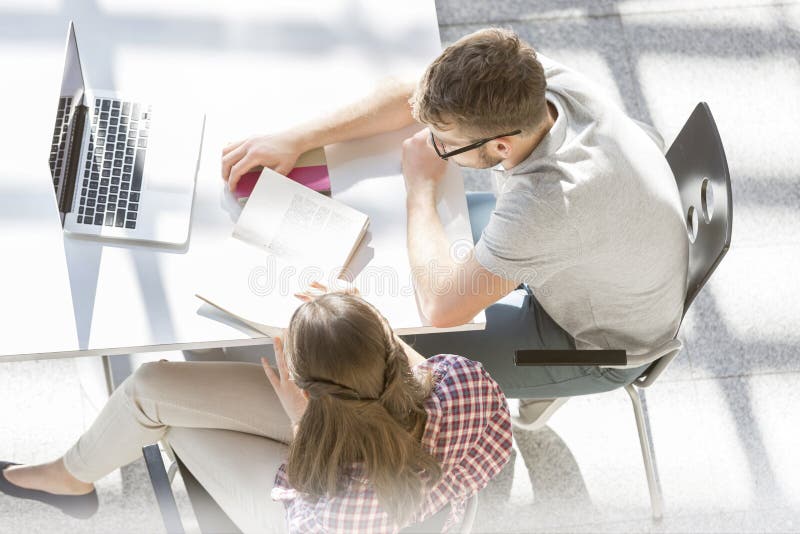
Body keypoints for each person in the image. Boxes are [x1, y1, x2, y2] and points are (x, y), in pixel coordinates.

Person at [220, 27, 688, 426]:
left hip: (596, 347)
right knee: (395, 261)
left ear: (501, 147)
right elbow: (410, 94)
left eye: (443, 143)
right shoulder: (528, 79)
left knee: (377, 351)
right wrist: (297, 137)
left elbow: (442, 308)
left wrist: (420, 187)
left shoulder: (547, 203)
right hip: (595, 259)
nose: (431, 144)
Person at [0, 290, 512, 532]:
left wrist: (298, 422)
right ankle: (71, 475)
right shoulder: (464, 380)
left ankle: (71, 479)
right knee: (153, 387)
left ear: (306, 390)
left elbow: (305, 503)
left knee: (170, 417)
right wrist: (353, 318)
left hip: (328, 506)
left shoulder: (340, 515)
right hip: (368, 458)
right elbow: (412, 369)